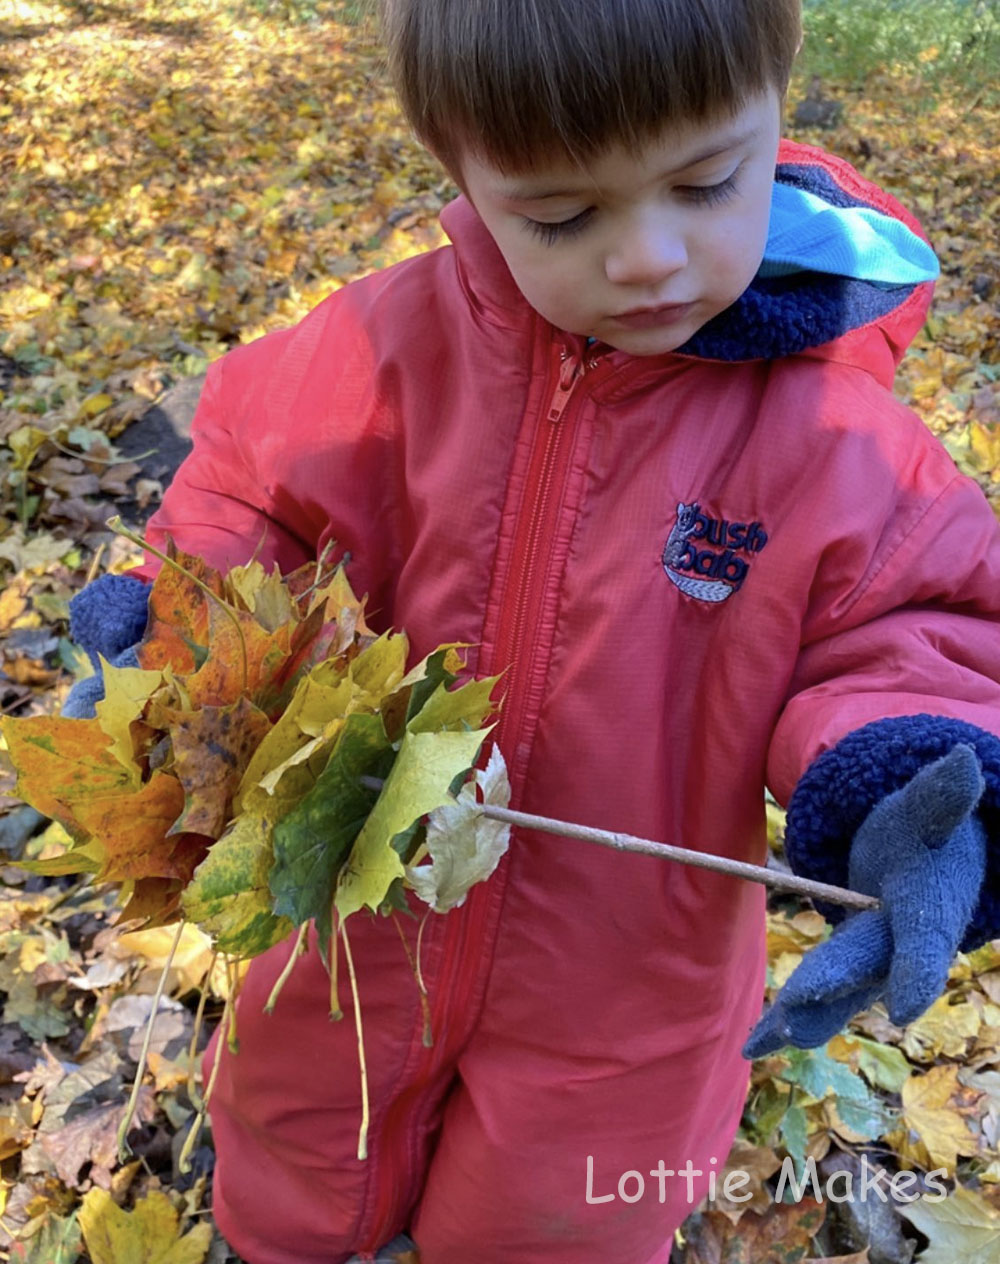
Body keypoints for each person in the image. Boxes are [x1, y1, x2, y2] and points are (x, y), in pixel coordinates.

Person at [63, 1, 1000, 1261]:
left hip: (628, 987)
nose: (648, 259)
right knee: (293, 1154)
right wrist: (179, 630)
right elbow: (248, 496)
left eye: (703, 184)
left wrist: (906, 785)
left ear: (777, 108)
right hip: (344, 920)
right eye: (561, 217)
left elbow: (911, 630)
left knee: (557, 1224)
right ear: (465, 174)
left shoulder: (836, 448)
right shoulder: (378, 353)